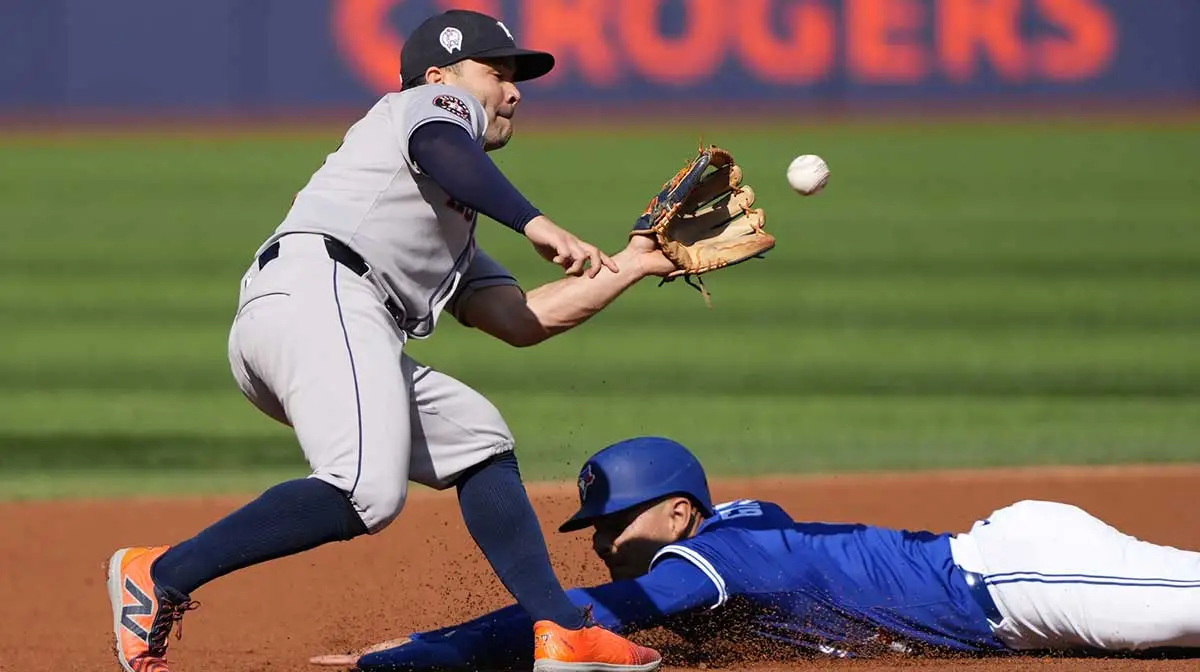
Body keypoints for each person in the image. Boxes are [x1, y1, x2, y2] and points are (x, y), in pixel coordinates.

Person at [105, 10, 673, 672]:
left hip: (317, 317)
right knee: (364, 491)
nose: (514, 91)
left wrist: (636, 263)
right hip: (322, 297)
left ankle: (562, 629)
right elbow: (443, 144)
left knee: (479, 440)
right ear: (441, 76)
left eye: (517, 77)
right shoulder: (424, 110)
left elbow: (521, 320)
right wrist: (535, 222)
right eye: (497, 72)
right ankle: (161, 575)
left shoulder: (443, 220)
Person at [311, 436, 1200, 671]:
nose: (607, 545)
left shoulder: (722, 561)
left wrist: (423, 654)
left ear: (678, 514)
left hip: (1010, 581)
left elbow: (583, 619)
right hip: (1006, 580)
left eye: (619, 525)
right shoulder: (730, 537)